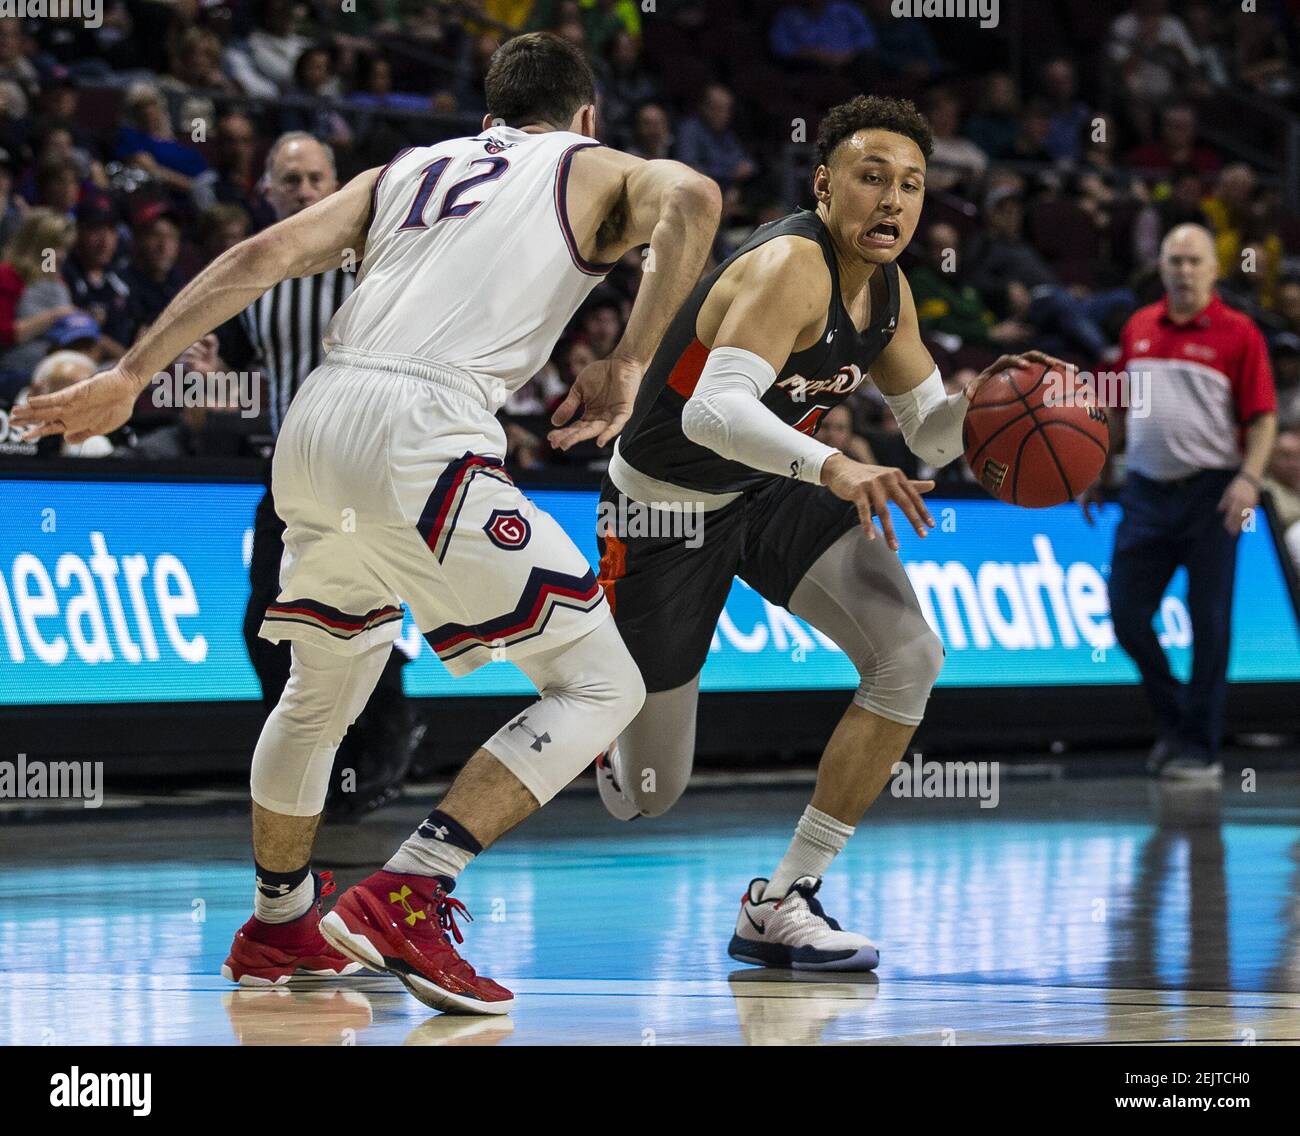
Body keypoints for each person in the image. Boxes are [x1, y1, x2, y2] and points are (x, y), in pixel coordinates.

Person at [16, 31, 721, 1015]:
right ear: (588, 117)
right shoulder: (587, 164)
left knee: (320, 691)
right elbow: (694, 198)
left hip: (316, 424)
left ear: (486, 114)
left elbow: (260, 253)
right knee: (601, 681)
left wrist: (132, 373)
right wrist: (633, 360)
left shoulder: (408, 168)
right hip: (420, 427)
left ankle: (277, 920)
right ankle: (413, 885)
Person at [586, 94, 1061, 970]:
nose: (892, 201)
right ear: (823, 183)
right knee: (649, 795)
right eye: (871, 177)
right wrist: (840, 467)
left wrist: (992, 403)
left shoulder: (888, 289)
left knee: (908, 655)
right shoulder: (789, 269)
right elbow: (711, 413)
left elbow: (926, 433)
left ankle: (783, 898)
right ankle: (610, 727)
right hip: (665, 509)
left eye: (911, 186)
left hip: (771, 487)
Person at [1082, 224, 1278, 780]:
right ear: (1161, 267)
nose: (1184, 271)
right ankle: (1177, 721)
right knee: (1125, 614)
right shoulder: (1140, 326)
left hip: (1215, 493)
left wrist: (1249, 480)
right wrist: (1099, 463)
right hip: (1144, 492)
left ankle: (1200, 747)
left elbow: (1263, 417)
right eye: (1175, 261)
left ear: (1213, 269)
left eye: (1194, 261)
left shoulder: (1240, 333)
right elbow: (1122, 408)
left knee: (1209, 622)